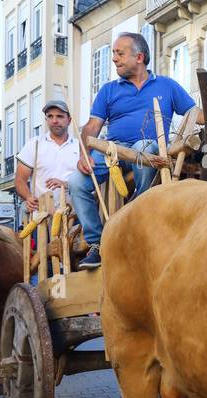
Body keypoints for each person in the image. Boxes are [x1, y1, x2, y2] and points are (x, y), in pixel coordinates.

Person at [70, 32, 200, 268]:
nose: (114, 59)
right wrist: (83, 155)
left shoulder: (166, 85)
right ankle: (98, 243)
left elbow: (193, 113)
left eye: (120, 53)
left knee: (144, 147)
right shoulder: (109, 90)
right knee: (76, 182)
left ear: (139, 56)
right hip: (111, 151)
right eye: (113, 54)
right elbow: (92, 127)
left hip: (148, 151)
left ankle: (135, 220)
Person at [15, 100, 80, 216]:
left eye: (60, 116)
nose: (54, 121)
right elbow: (19, 180)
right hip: (41, 217)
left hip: (73, 217)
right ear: (46, 120)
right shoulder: (34, 144)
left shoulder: (80, 147)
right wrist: (28, 197)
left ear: (69, 120)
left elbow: (91, 183)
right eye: (50, 116)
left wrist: (66, 184)